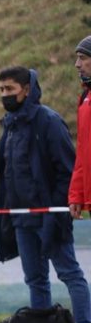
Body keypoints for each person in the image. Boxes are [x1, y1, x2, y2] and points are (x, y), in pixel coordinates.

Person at [0, 66, 91, 323]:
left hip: (50, 213)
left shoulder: (48, 121)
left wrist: (57, 210)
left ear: (26, 89)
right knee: (35, 277)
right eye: (1, 90)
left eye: (10, 89)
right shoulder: (10, 124)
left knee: (69, 273)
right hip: (21, 216)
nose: (5, 95)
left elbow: (66, 167)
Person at [70, 36, 91, 221]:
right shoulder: (85, 97)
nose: (78, 64)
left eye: (83, 57)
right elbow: (83, 150)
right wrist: (76, 193)